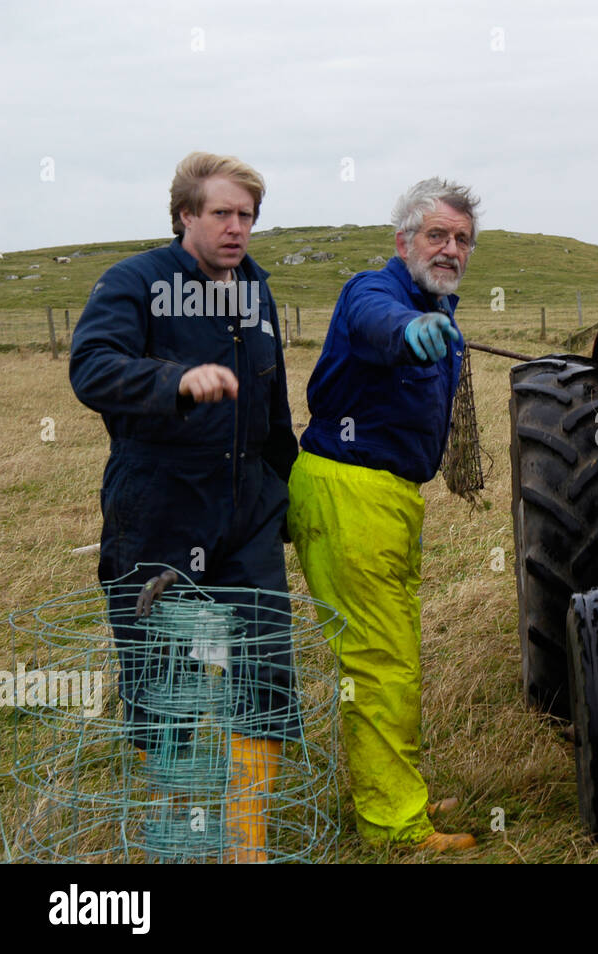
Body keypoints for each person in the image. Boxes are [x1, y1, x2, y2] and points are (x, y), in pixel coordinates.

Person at [69, 151, 298, 863]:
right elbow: (91, 366)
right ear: (184, 215)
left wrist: (284, 488)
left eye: (248, 216)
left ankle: (246, 842)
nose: (238, 228)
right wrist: (173, 380)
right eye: (223, 213)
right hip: (161, 506)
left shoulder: (255, 288)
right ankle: (177, 830)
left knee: (262, 660)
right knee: (162, 674)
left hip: (247, 507)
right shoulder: (134, 283)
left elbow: (273, 399)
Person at [286, 177, 477, 853]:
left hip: (387, 499)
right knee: (378, 664)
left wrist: (433, 322)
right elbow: (376, 322)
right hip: (350, 491)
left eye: (461, 239)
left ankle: (397, 789)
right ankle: (394, 823)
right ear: (404, 242)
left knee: (392, 657)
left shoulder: (438, 307)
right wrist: (411, 330)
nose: (450, 248)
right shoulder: (377, 293)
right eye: (436, 235)